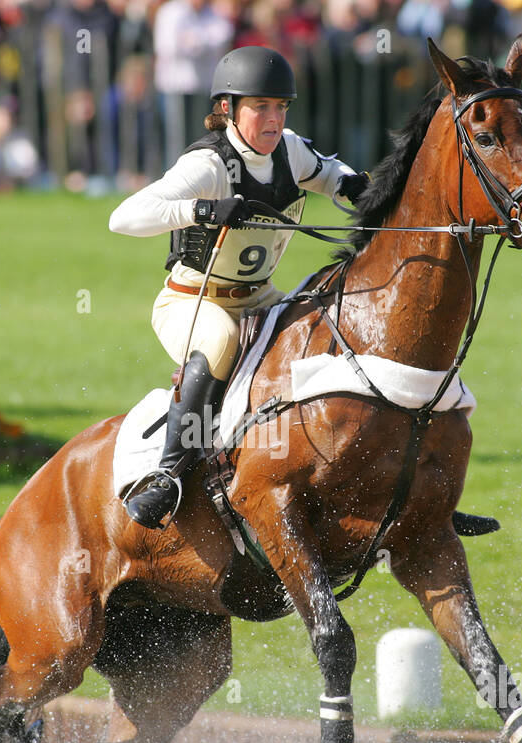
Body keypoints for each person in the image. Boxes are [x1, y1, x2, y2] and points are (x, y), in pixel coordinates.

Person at [108, 45, 369, 529]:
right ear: (227, 109)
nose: (274, 120)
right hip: (193, 301)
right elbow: (122, 217)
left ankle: (378, 473)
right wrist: (201, 210)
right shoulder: (208, 166)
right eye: (261, 107)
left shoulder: (288, 149)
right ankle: (169, 474)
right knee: (222, 341)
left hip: (259, 295)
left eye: (281, 107)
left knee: (328, 332)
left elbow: (330, 173)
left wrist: (353, 186)